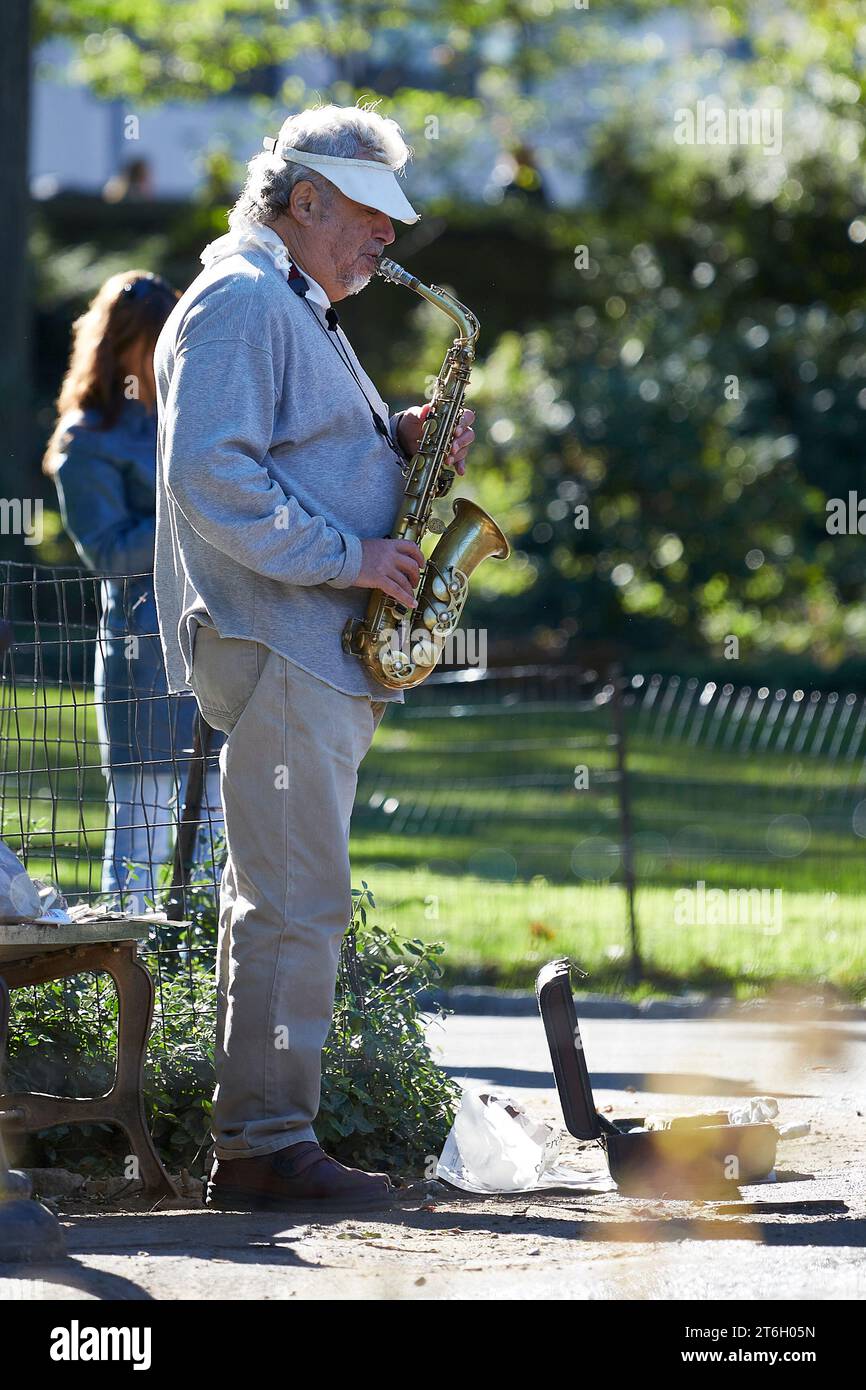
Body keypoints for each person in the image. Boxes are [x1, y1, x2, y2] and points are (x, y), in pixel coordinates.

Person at [153, 103, 476, 1212]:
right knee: (298, 902)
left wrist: (388, 438)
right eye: (370, 218)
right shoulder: (245, 300)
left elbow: (281, 451)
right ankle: (266, 1146)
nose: (386, 241)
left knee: (282, 899)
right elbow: (215, 475)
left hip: (304, 641)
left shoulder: (286, 299)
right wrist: (352, 555)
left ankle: (261, 1139)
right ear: (305, 202)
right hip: (282, 634)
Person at [44, 271, 223, 914]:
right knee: (140, 843)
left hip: (214, 646)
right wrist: (196, 507)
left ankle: (203, 986)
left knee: (218, 839)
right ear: (116, 350)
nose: (165, 360)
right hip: (140, 659)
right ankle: (132, 984)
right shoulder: (84, 443)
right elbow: (110, 552)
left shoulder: (188, 416)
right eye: (151, 345)